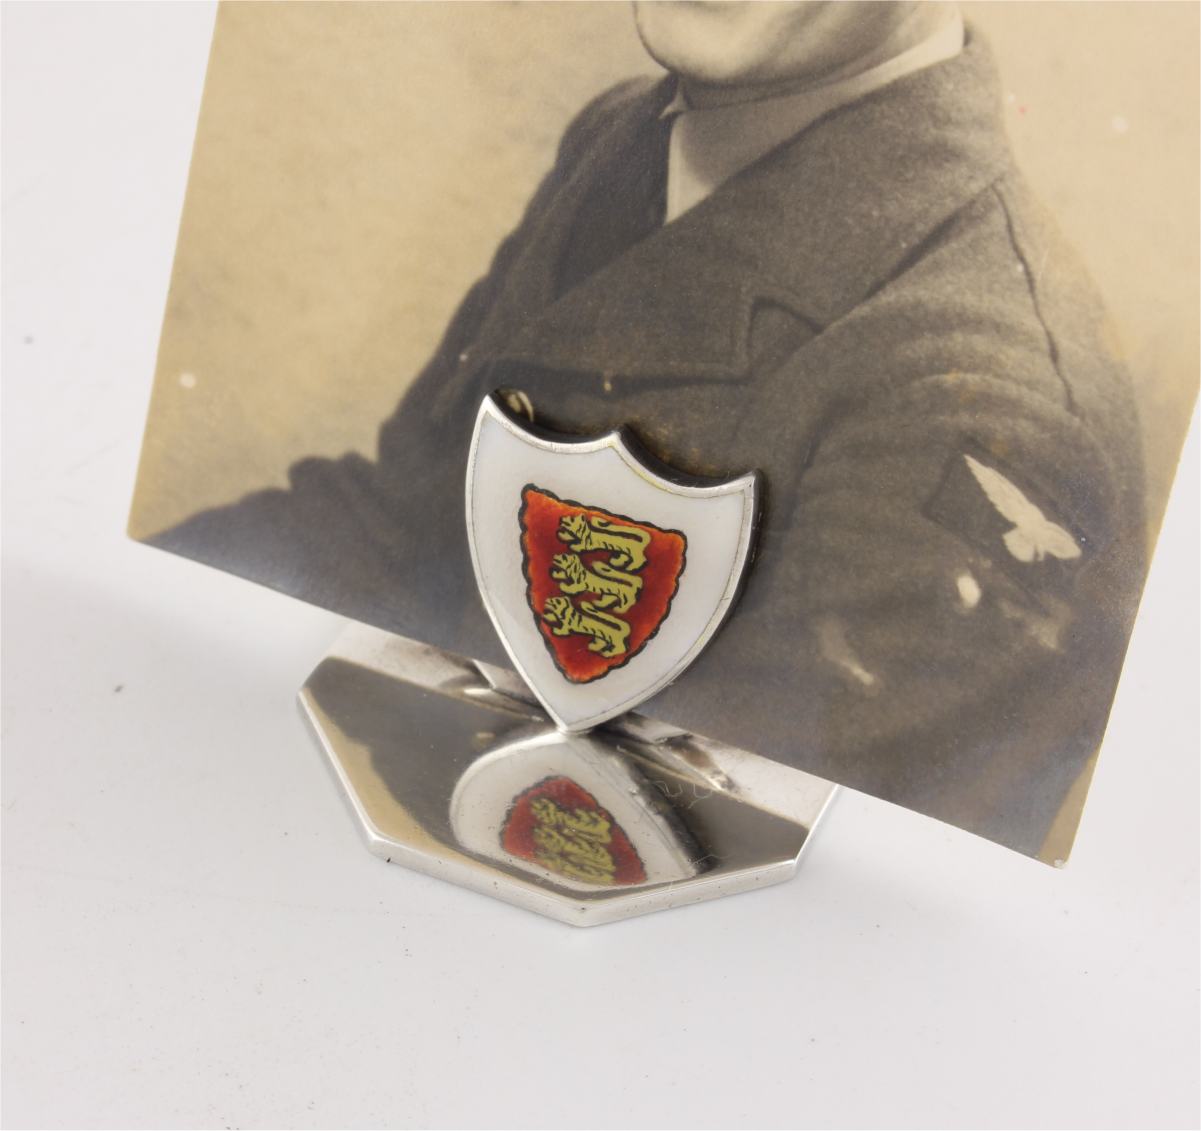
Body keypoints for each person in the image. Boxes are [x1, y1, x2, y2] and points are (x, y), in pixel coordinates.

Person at [150, 2, 1146, 858]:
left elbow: (730, 904)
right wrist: (126, 614)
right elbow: (401, 530)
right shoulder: (635, 137)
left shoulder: (989, 415)